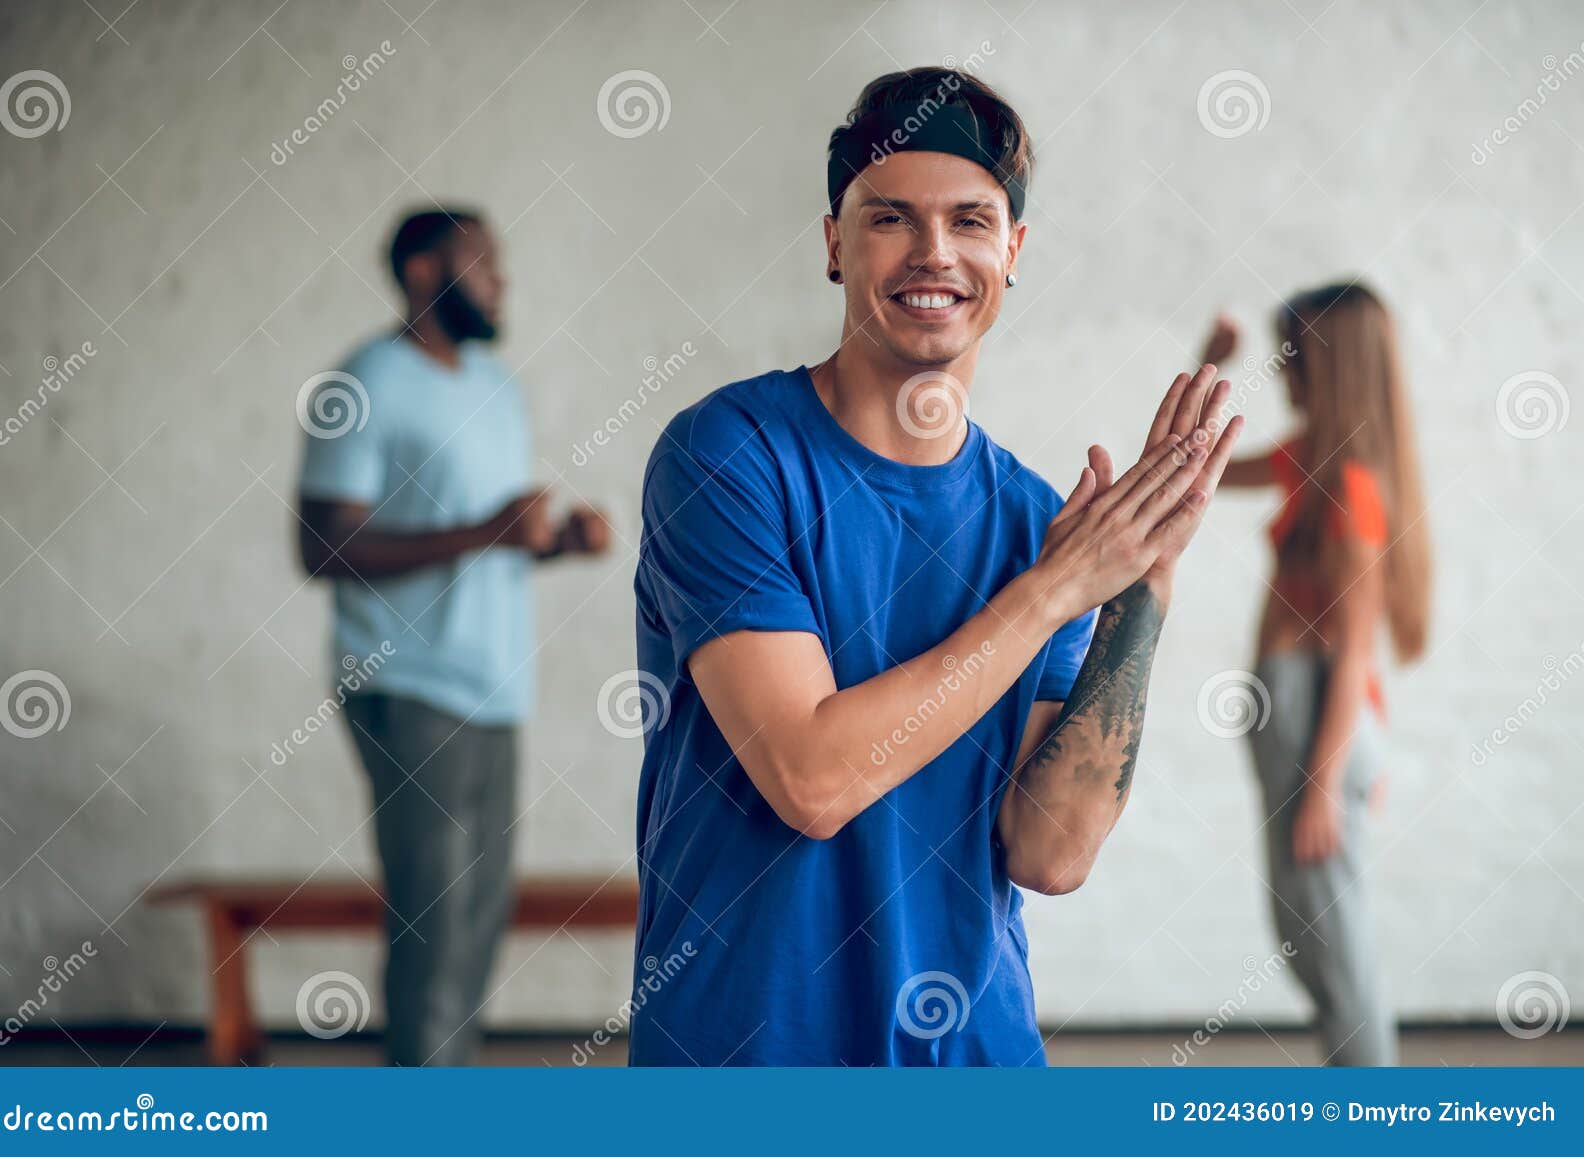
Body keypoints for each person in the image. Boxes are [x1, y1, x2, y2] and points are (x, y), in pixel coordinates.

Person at [626, 69, 1244, 1066]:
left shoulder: (1042, 518)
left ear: (1013, 249)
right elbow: (812, 778)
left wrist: (1141, 586)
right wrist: (1049, 593)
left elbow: (1050, 851)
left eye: (969, 219)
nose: (933, 254)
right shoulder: (726, 456)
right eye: (889, 219)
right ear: (834, 242)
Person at [296, 207, 609, 1066]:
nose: (502, 280)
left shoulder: (493, 385)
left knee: (478, 920)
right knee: (432, 919)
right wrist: (484, 532)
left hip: (497, 684)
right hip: (407, 685)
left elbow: (485, 538)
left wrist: (555, 541)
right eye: (485, 264)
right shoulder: (365, 380)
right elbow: (322, 545)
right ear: (426, 272)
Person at [1202, 282, 1431, 1066]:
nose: (1283, 368)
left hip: (1317, 725)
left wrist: (1324, 785)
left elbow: (1355, 651)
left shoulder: (1351, 492)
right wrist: (1208, 369)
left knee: (1334, 940)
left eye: (1295, 353)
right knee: (1307, 932)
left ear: (1333, 366)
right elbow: (1202, 469)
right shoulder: (1308, 459)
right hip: (1297, 715)